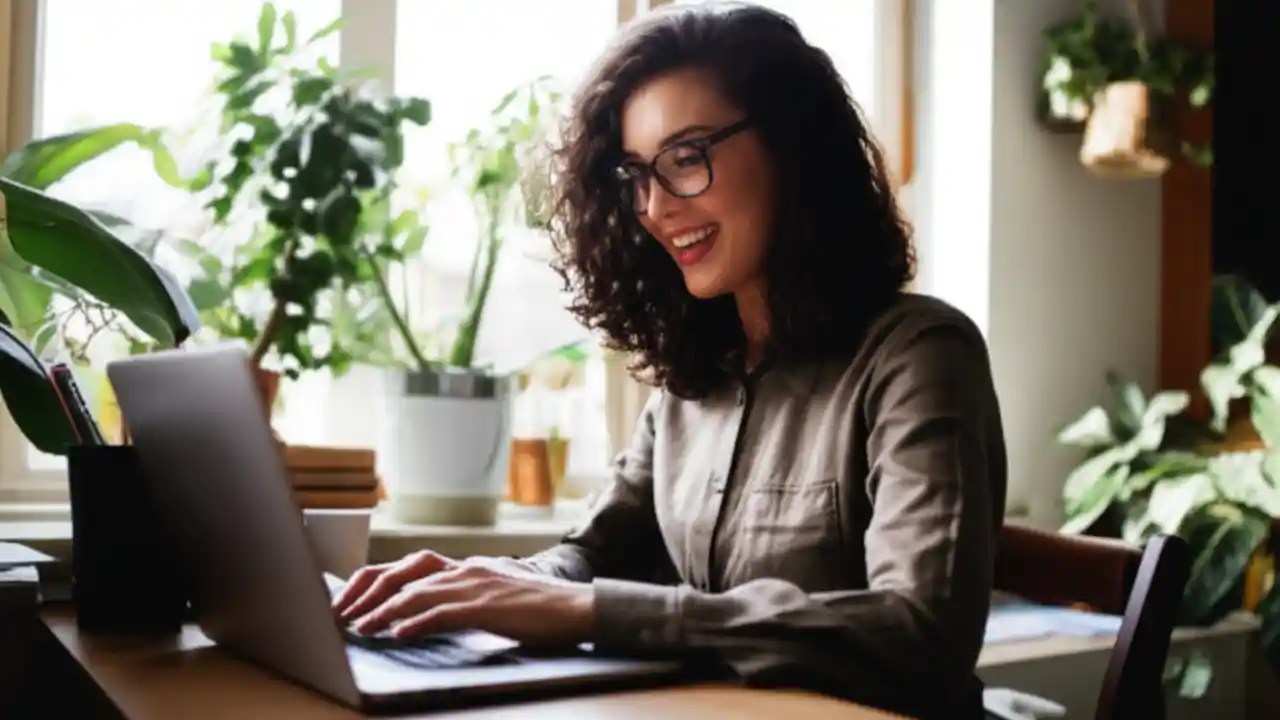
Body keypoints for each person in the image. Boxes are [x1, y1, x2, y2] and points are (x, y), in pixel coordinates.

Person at [333, 3, 1006, 717]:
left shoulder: (919, 356)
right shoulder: (695, 377)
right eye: (635, 176)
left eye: (687, 158)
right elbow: (591, 554)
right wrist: (481, 583)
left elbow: (920, 636)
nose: (654, 207)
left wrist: (593, 612)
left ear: (795, 146)